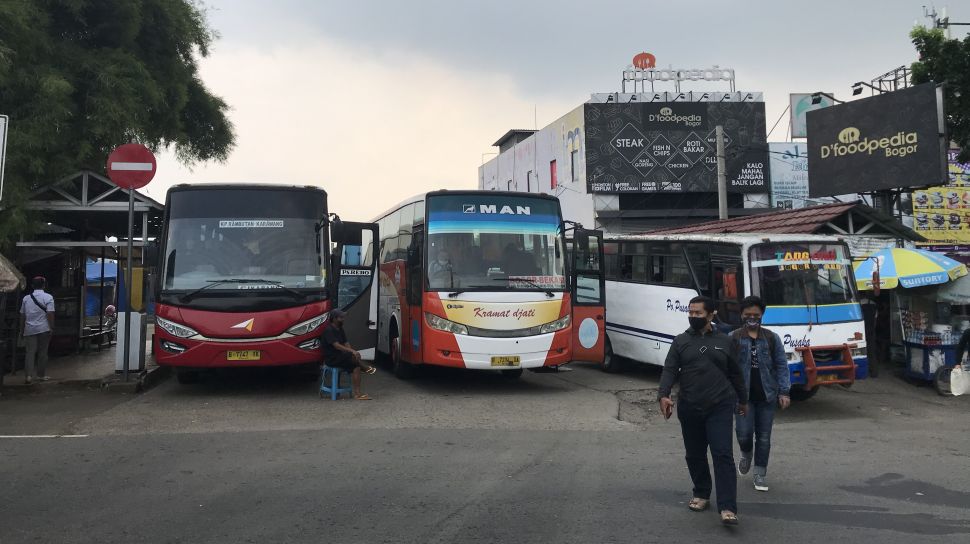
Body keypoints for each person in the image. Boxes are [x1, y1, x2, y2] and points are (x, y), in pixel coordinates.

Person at [658, 295, 748, 526]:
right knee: (695, 454)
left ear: (710, 315)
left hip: (720, 405)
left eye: (698, 313)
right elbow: (669, 369)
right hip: (690, 405)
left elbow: (736, 373)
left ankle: (727, 507)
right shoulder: (680, 341)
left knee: (722, 454)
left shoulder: (725, 341)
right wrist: (664, 395)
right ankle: (701, 493)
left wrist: (743, 400)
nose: (693, 316)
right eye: (690, 312)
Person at [731, 296, 790, 492]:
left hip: (767, 397)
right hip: (743, 399)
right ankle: (746, 453)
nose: (752, 318)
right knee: (744, 434)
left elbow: (781, 365)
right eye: (748, 314)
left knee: (764, 438)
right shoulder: (733, 338)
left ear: (762, 315)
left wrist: (784, 392)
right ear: (741, 315)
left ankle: (760, 474)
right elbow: (726, 367)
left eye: (756, 314)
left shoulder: (772, 338)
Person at [320, 309, 375, 400]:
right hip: (331, 359)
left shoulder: (340, 329)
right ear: (334, 319)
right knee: (352, 356)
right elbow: (337, 345)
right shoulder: (329, 330)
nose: (343, 319)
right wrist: (352, 352)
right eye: (341, 318)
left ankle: (357, 394)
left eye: (343, 317)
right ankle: (364, 368)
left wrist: (353, 351)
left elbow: (346, 343)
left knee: (356, 366)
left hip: (341, 357)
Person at [19, 276, 55, 384]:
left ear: (32, 286)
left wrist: (21, 330)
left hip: (29, 329)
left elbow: (22, 316)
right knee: (42, 353)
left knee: (30, 353)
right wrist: (51, 327)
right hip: (44, 329)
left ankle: (28, 376)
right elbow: (50, 313)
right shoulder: (48, 297)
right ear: (44, 285)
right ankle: (41, 375)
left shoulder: (26, 299)